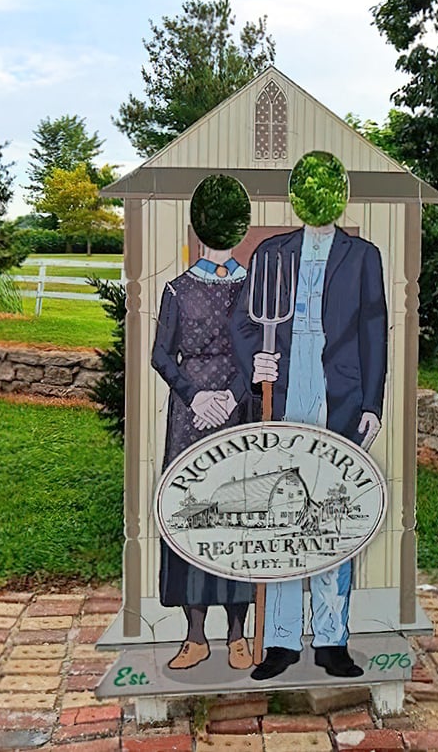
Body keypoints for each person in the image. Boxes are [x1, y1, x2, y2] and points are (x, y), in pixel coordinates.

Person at [231, 220, 387, 680]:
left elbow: (374, 331)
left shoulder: (362, 255)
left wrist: (372, 402)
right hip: (281, 390)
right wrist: (253, 362)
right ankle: (279, 638)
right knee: (281, 514)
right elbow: (244, 322)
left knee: (330, 515)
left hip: (338, 390)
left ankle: (331, 639)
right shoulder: (271, 252)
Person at [151, 240, 255, 671]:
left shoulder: (255, 289)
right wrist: (195, 397)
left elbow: (266, 351)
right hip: (189, 418)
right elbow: (161, 354)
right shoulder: (176, 289)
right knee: (190, 514)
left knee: (241, 513)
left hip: (239, 410)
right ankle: (195, 636)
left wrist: (232, 396)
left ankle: (237, 635)